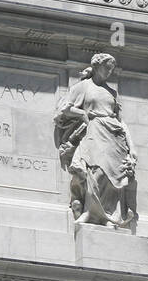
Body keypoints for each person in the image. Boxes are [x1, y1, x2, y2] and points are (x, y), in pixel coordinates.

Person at [53, 53, 137, 227]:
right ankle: (90, 212)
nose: (109, 71)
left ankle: (107, 216)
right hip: (94, 131)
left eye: (112, 69)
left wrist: (132, 148)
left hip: (115, 136)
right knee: (95, 172)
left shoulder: (112, 93)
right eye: (107, 67)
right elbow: (65, 109)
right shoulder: (83, 87)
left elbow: (121, 122)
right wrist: (83, 114)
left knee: (111, 177)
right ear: (97, 66)